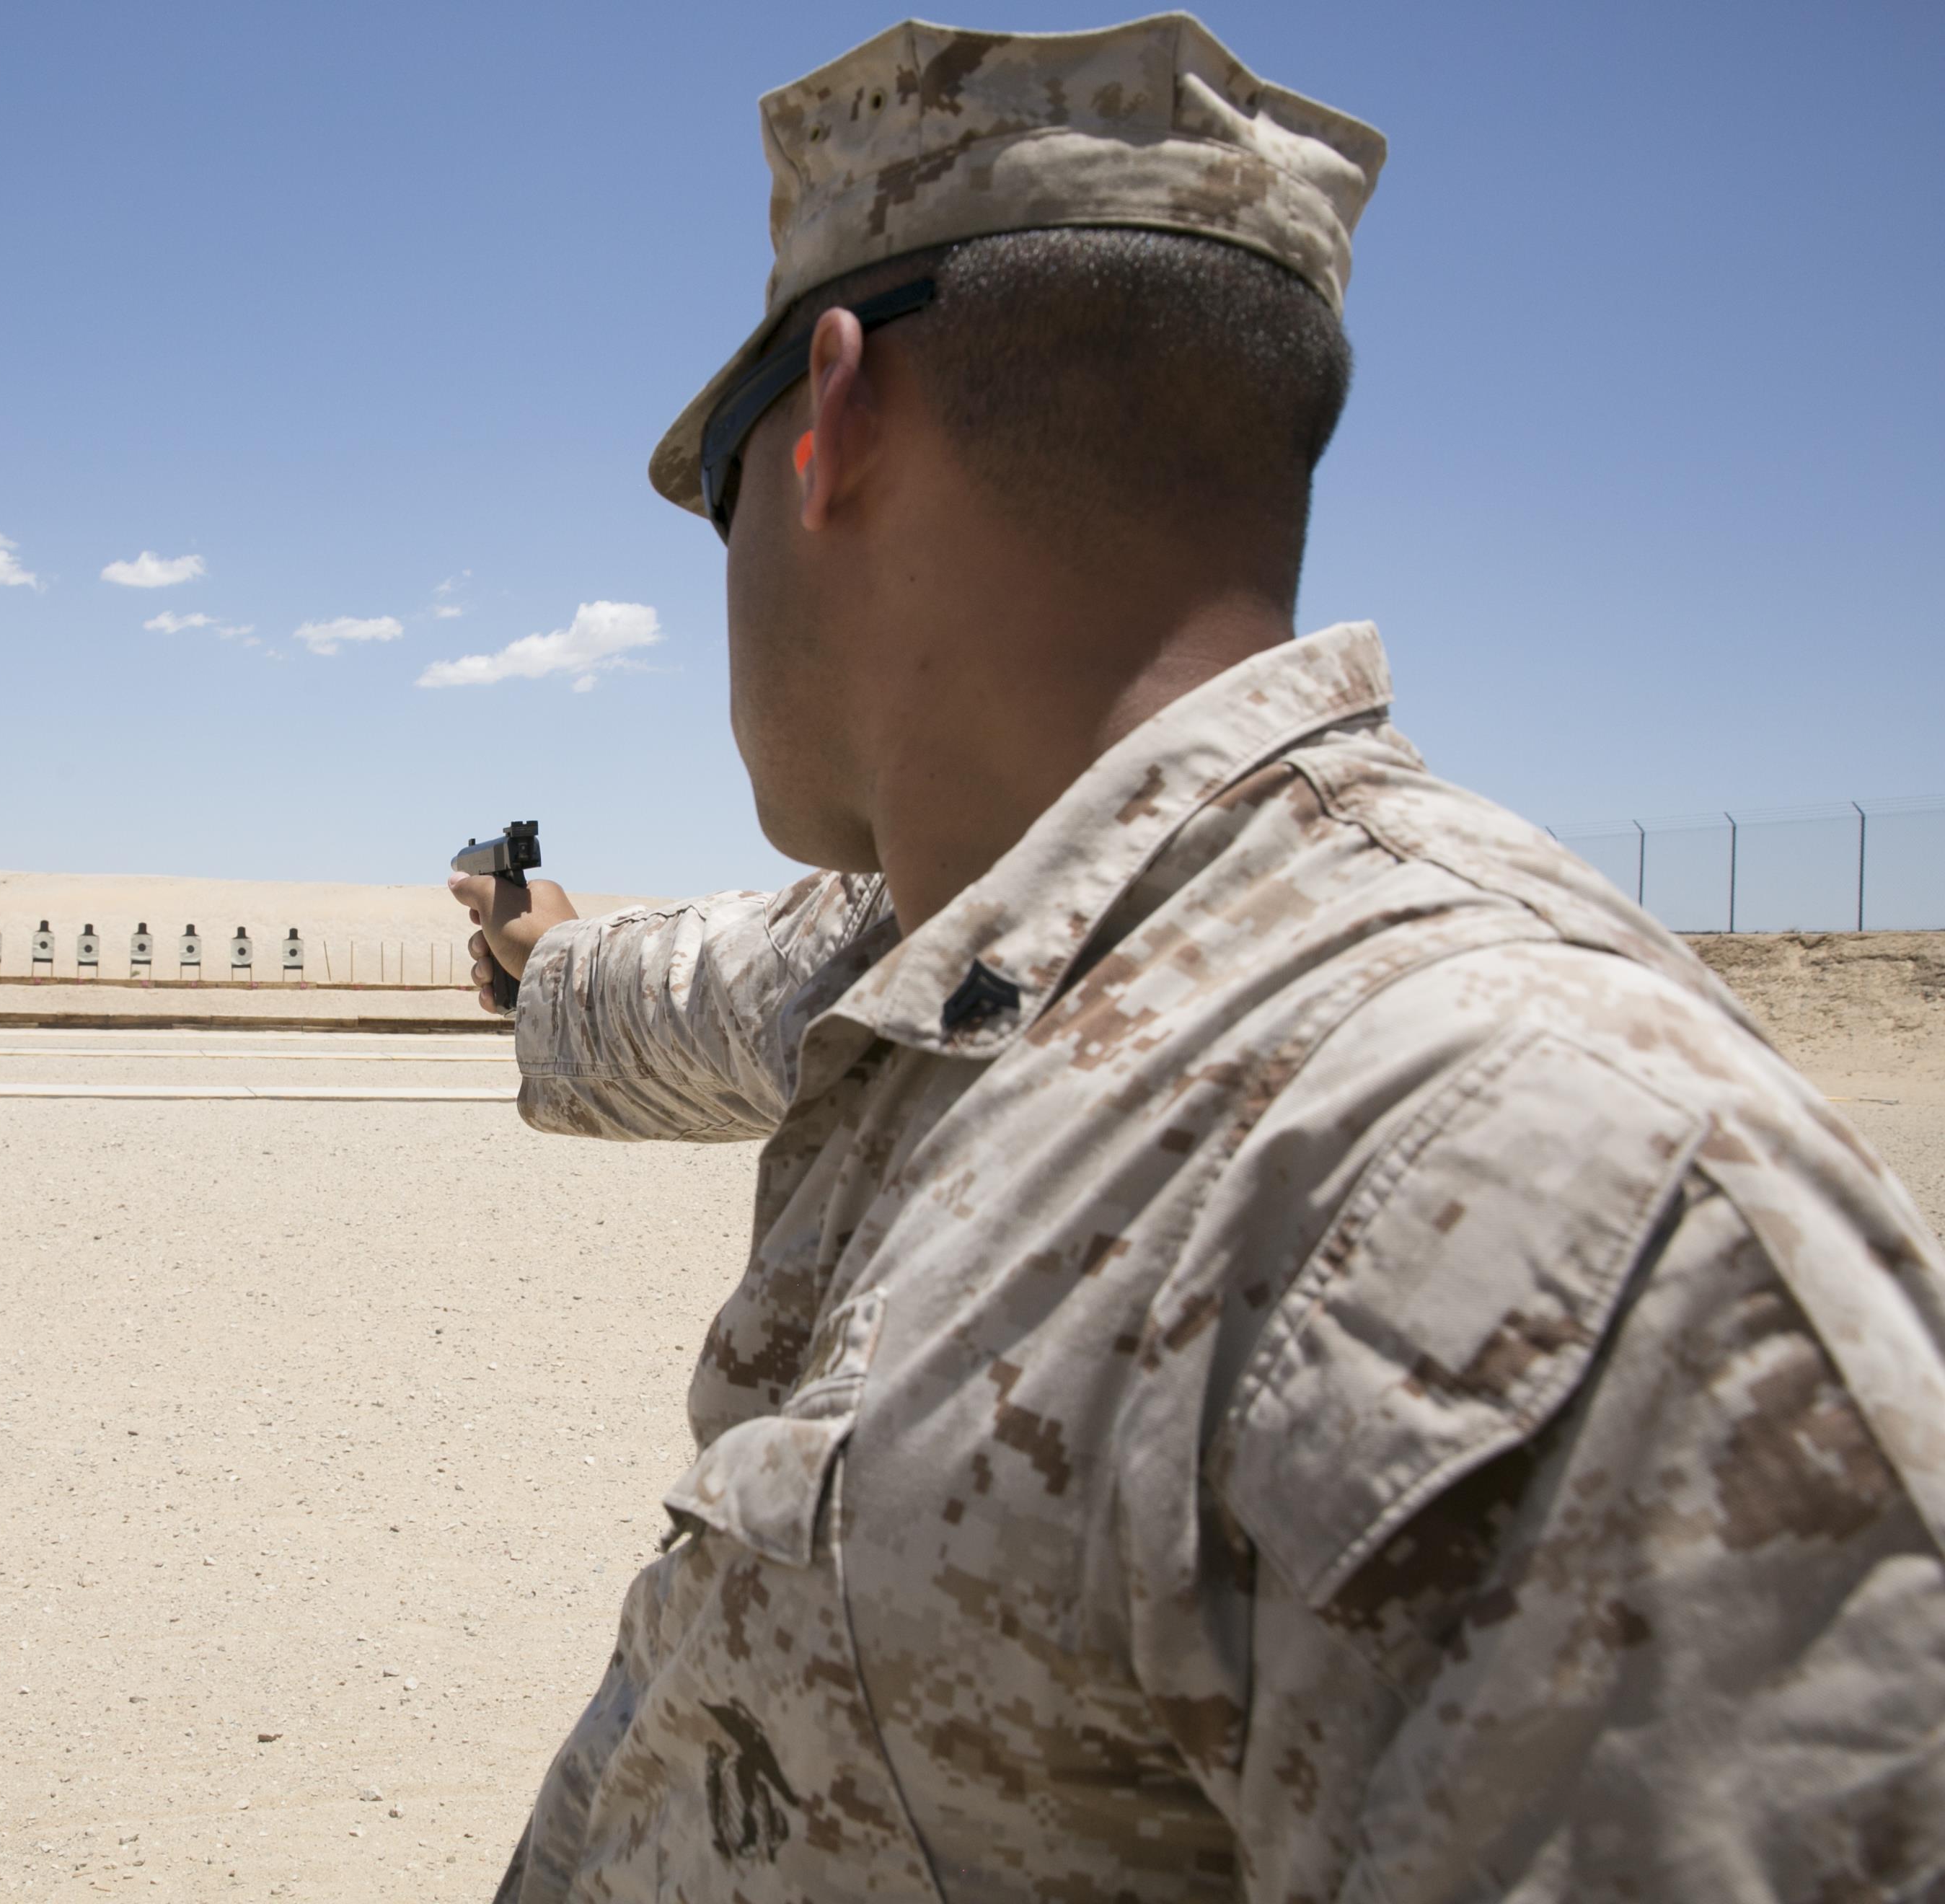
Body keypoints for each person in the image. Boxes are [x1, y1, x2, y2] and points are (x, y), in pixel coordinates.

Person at [450, 14, 1945, 1900]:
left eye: (713, 481)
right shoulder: (1027, 945)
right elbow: (727, 985)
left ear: (829, 428)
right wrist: (533, 953)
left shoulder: (1539, 1169)